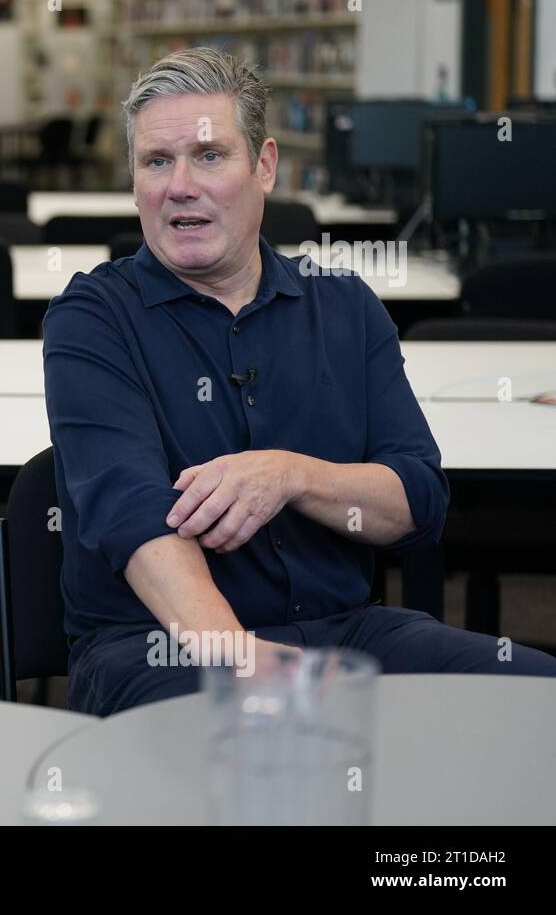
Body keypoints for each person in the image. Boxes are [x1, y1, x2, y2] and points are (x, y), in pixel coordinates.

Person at [42, 47, 556, 715]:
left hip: (347, 631)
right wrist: (240, 659)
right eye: (156, 162)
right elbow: (131, 514)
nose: (180, 186)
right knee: (269, 731)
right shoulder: (93, 318)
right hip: (158, 648)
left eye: (209, 156)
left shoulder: (345, 305)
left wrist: (292, 475)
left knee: (535, 699)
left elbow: (418, 500)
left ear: (265, 166)